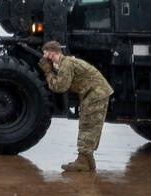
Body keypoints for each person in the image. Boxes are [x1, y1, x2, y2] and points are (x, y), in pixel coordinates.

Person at [38, 40, 113, 172]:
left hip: (95, 94)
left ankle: (82, 161)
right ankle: (88, 161)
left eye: (45, 54)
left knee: (88, 125)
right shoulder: (66, 63)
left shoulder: (66, 64)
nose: (44, 57)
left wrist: (48, 72)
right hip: (94, 93)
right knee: (89, 124)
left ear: (52, 52)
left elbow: (60, 86)